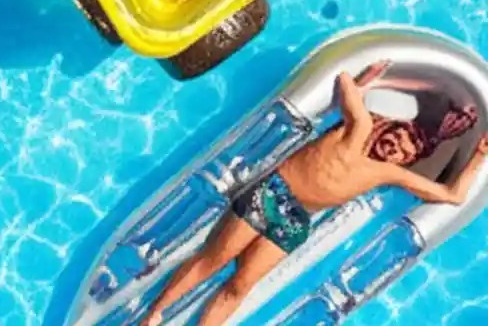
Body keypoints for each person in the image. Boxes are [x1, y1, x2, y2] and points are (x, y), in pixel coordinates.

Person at [142, 61, 488, 326]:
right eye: (396, 138)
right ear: (387, 128)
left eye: (403, 153)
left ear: (407, 161)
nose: (395, 149)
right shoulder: (357, 129)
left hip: (297, 219)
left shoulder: (386, 173)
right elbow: (345, 82)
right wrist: (373, 81)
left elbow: (453, 195)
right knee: (213, 259)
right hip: (274, 192)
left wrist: (478, 157)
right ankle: (155, 314)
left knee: (240, 286)